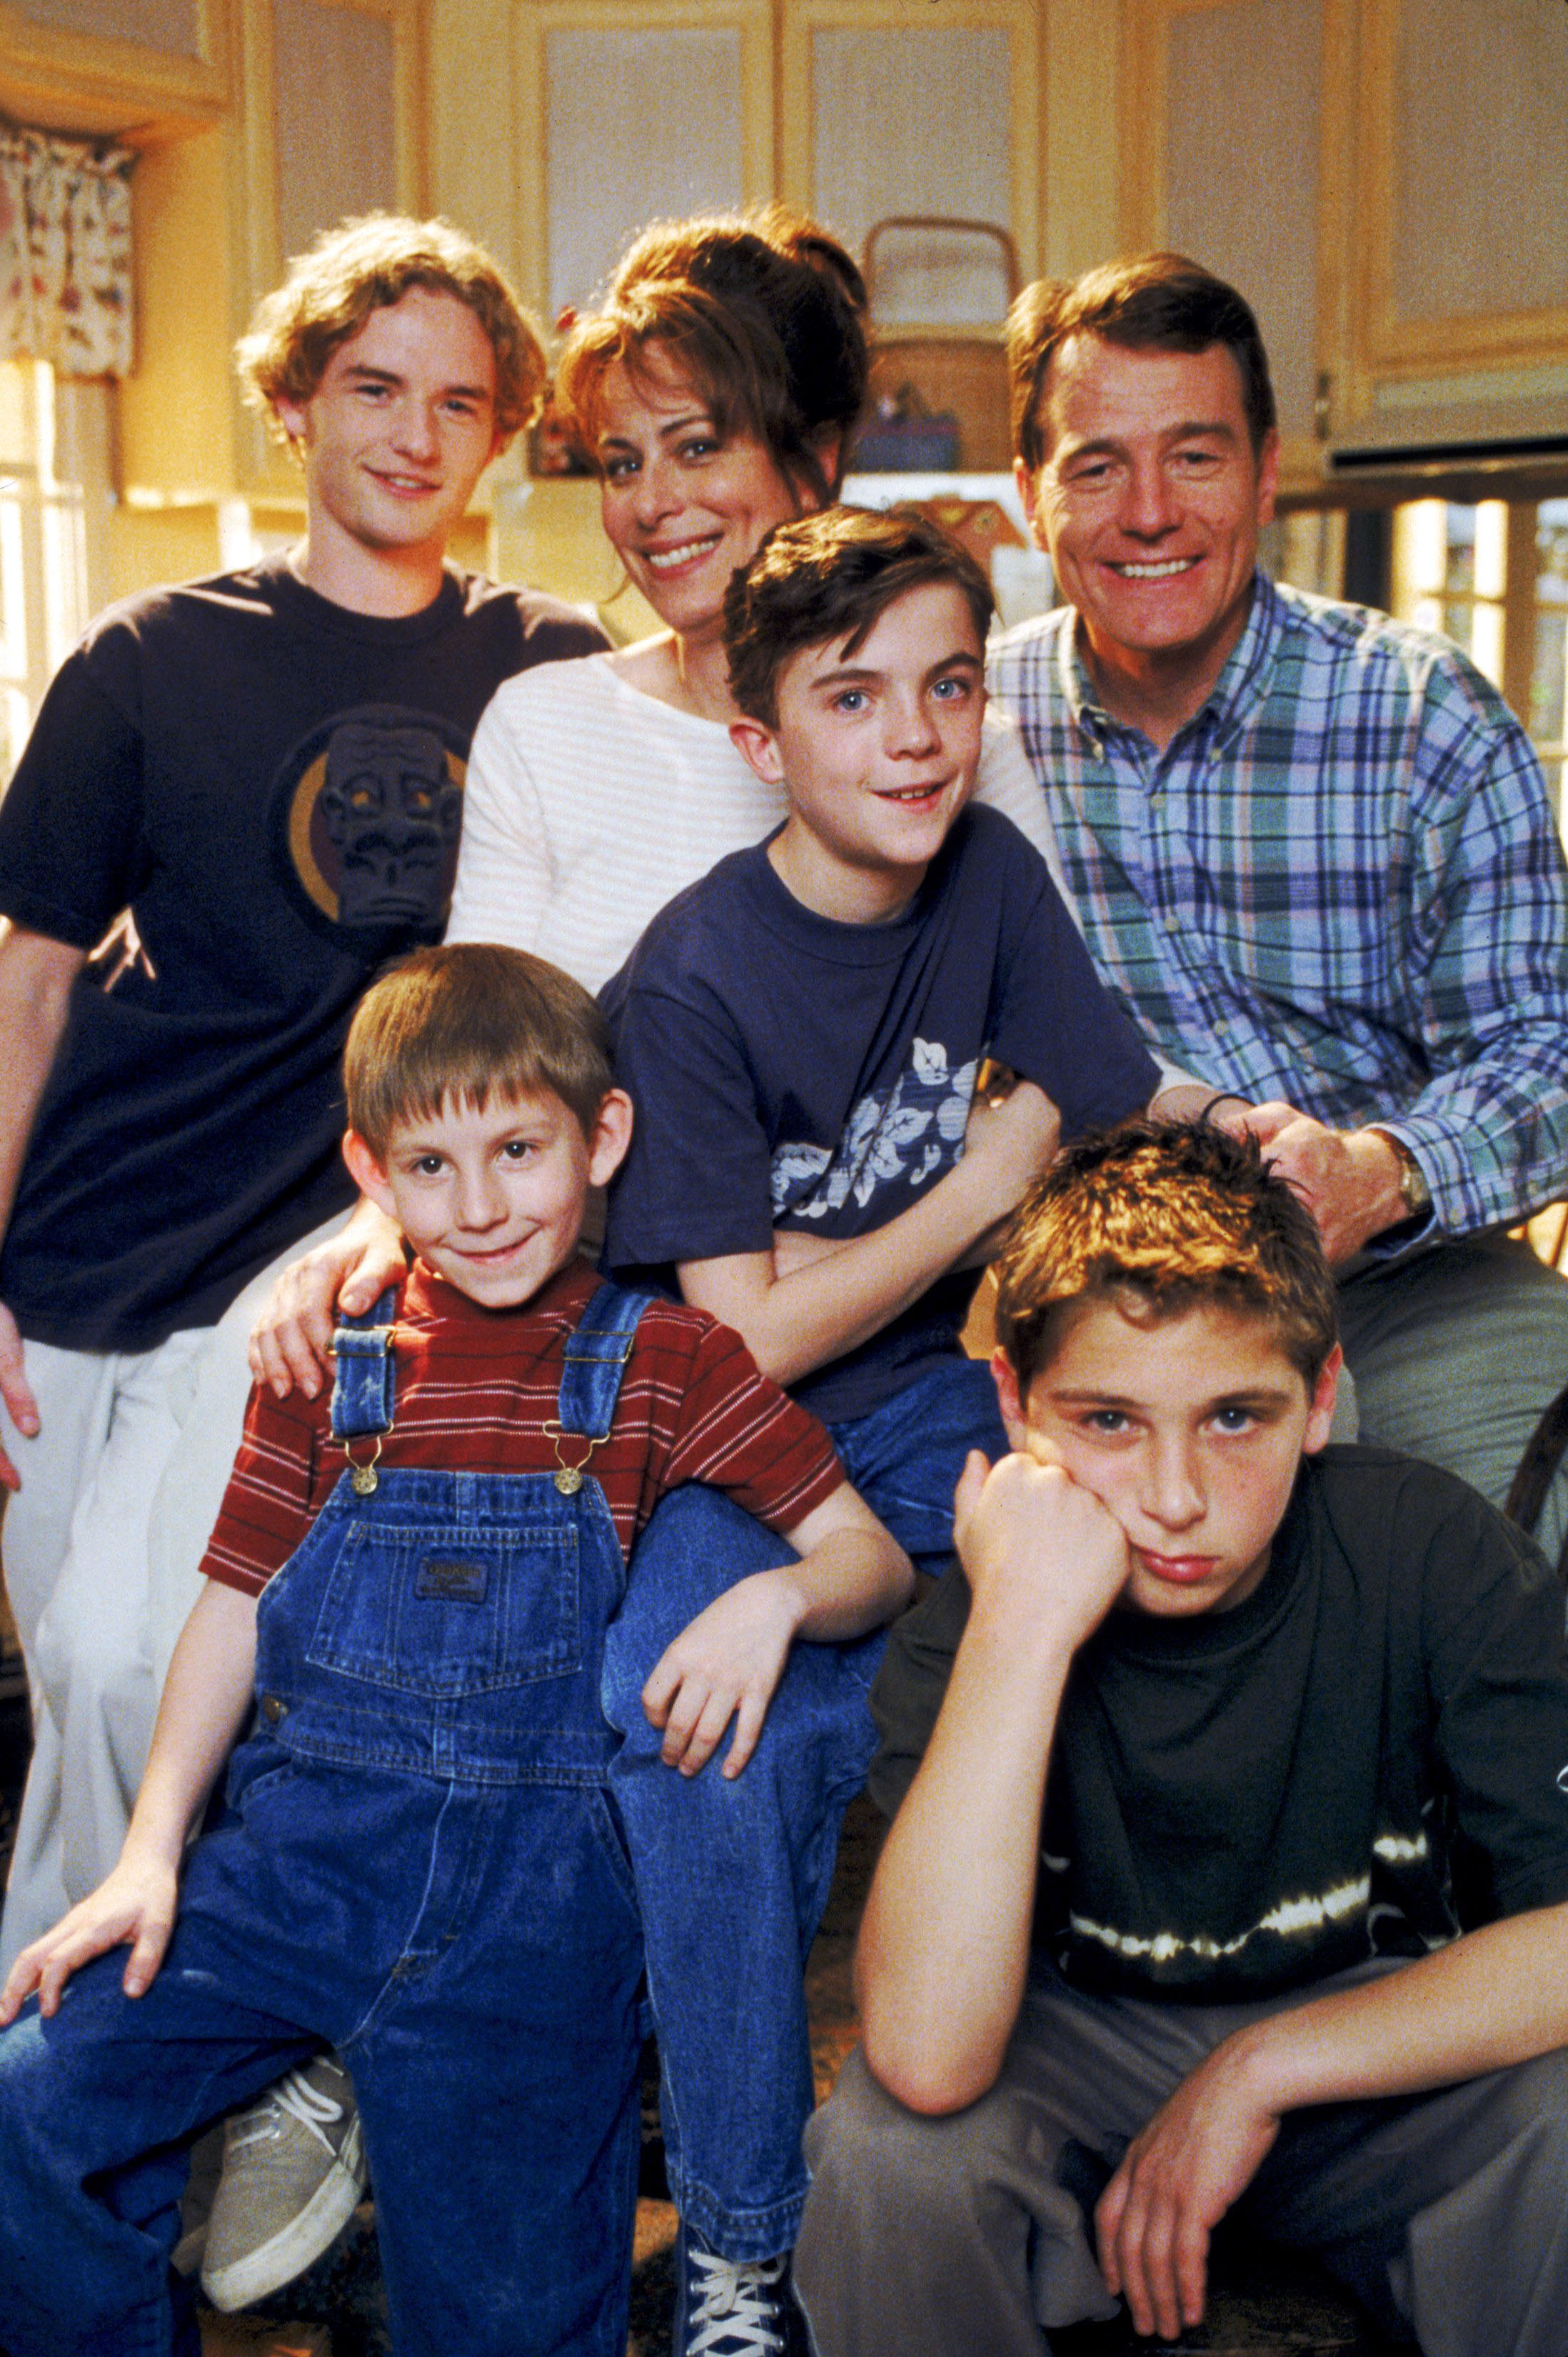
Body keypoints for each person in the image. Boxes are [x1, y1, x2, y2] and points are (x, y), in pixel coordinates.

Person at [236, 213, 1127, 2346]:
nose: (650, 499)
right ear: (768, 739)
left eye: (695, 442)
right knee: (644, 1695)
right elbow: (489, 1041)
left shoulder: (932, 774)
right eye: (611, 459)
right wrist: (381, 1215)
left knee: (746, 1702)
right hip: (657, 1332)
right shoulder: (583, 760)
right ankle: (430, 2074)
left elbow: (1076, 1070)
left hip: (852, 1368)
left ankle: (725, 2182)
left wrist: (1239, 1161)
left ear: (798, 457)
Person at [0, 941, 911, 2357]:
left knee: (504, 2330)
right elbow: (232, 1604)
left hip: (529, 1936)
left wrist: (774, 1601)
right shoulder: (329, 1361)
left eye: (520, 1150)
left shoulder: (667, 1362)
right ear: (370, 1174)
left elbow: (866, 1557)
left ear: (601, 1138)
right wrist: (149, 1851)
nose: (480, 1207)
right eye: (432, 1167)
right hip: (298, 1873)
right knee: (27, 2105)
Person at [0, 208, 609, 2303]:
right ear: (293, 400)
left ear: (505, 438)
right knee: (85, 1693)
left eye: (461, 402)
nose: (414, 433)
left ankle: (95, 2088)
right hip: (94, 1245)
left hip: (352, 1264)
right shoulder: (149, 656)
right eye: (374, 386)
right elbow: (27, 989)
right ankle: (102, 2125)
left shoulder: (549, 668)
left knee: (129, 1666)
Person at [793, 1119, 1568, 2357]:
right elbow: (931, 2057)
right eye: (1106, 1422)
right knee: (887, 2155)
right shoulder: (981, 1617)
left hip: (1373, 2044)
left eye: (1235, 1420)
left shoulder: (1425, 1547)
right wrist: (1025, 1632)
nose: (1173, 1497)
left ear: (1319, 1400)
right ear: (1016, 1406)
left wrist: (1260, 2067)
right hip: (1073, 2048)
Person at [987, 252, 1568, 1558]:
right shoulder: (968, 727)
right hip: (1116, 1315)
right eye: (1096, 466)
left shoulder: (1423, 714)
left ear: (1264, 470)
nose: (1149, 513)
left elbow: (1550, 1049)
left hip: (1414, 1283)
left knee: (1536, 1527)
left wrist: (1384, 1172)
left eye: (1194, 457)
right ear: (1032, 498)